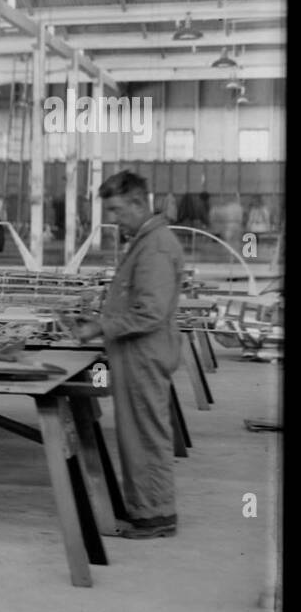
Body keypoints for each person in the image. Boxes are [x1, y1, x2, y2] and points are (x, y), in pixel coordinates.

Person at [72, 170, 183, 538]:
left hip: (143, 354)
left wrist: (101, 327)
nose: (114, 219)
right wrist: (101, 320)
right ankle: (145, 508)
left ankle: (155, 515)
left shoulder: (156, 246)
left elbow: (150, 312)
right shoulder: (146, 241)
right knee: (137, 435)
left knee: (145, 436)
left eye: (118, 210)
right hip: (136, 352)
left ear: (138, 203)